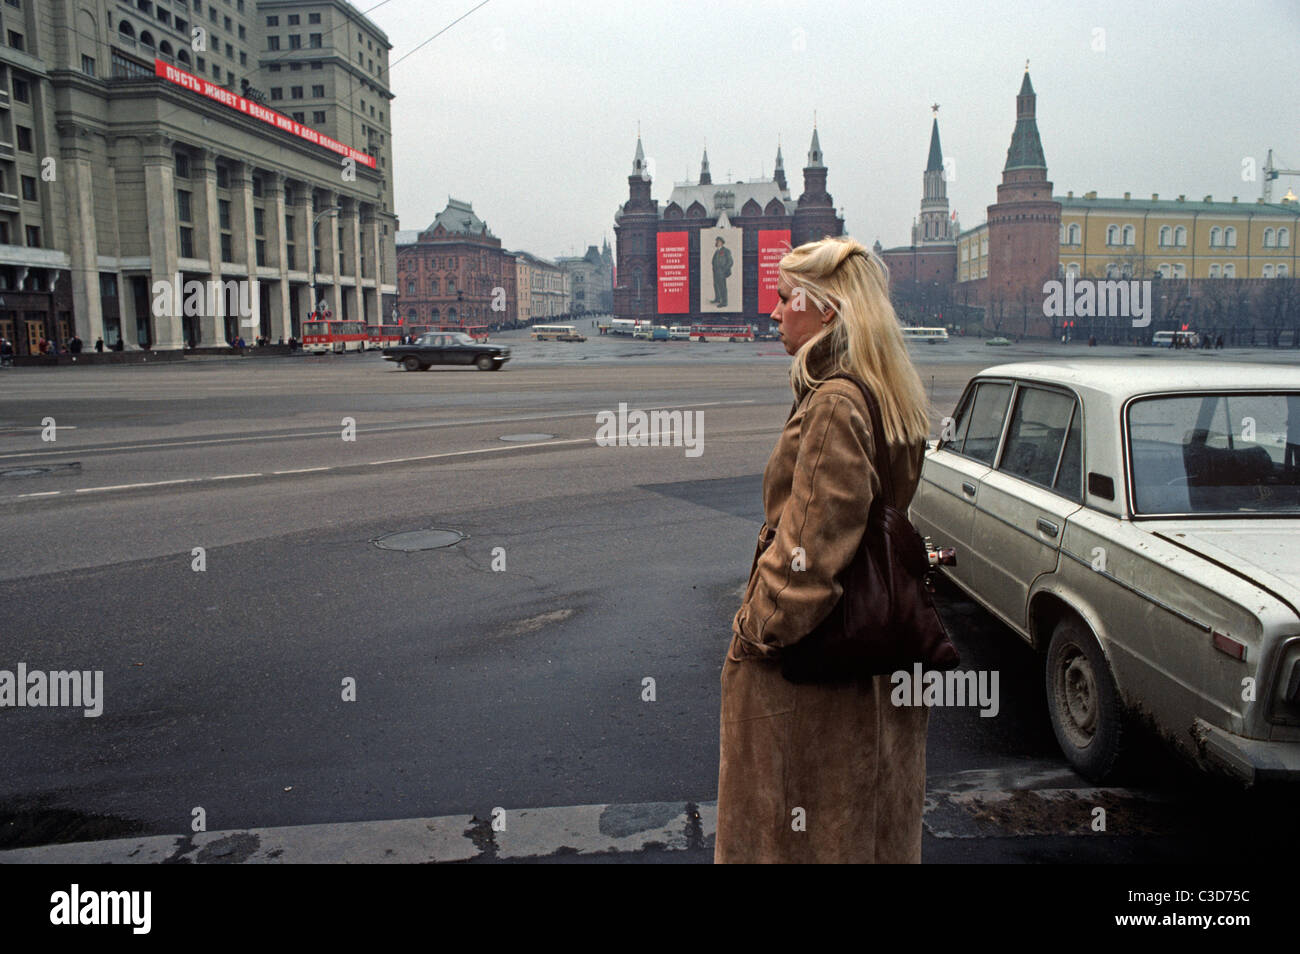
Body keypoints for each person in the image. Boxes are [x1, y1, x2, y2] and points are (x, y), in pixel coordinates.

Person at [715, 236, 933, 864]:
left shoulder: (835, 401)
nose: (775, 313)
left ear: (828, 311)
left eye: (786, 299)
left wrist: (753, 633)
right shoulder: (883, 389)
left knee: (804, 836)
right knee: (862, 829)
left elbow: (807, 561)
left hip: (814, 685)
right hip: (875, 651)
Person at [709, 235, 733, 307]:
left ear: (722, 243)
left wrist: (724, 270)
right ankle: (718, 299)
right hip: (715, 272)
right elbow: (714, 261)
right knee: (716, 285)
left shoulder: (726, 251)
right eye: (717, 241)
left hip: (721, 272)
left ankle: (724, 302)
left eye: (719, 241)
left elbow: (730, 262)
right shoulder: (717, 251)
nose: (717, 242)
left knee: (722, 287)